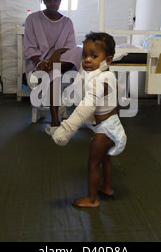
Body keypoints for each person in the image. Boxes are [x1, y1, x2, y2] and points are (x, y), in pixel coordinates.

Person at [49, 32, 127, 208]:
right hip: (112, 126)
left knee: (92, 164)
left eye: (93, 56)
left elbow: (87, 107)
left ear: (108, 59)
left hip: (104, 131)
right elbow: (118, 92)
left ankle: (91, 199)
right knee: (105, 159)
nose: (87, 60)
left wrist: (66, 129)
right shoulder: (108, 76)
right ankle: (106, 187)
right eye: (84, 56)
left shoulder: (98, 80)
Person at [23, 0, 82, 127]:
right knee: (54, 73)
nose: (52, 3)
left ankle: (52, 66)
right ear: (43, 0)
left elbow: (71, 47)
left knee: (80, 49)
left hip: (61, 62)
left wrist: (57, 51)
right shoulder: (32, 19)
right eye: (48, 0)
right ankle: (55, 121)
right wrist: (39, 63)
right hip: (39, 64)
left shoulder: (67, 22)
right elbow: (29, 46)